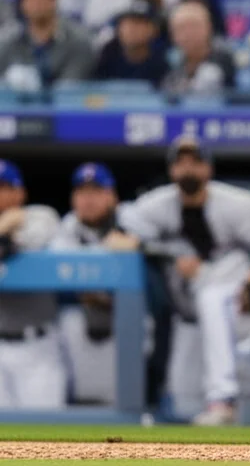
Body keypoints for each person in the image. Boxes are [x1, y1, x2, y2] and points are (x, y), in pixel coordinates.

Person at [124, 135, 250, 425]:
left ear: (208, 169)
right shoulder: (156, 205)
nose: (188, 170)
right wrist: (170, 255)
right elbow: (123, 233)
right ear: (172, 171)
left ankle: (223, 398)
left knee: (214, 296)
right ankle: (220, 407)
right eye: (181, 163)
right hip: (189, 308)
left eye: (195, 163)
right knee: (184, 401)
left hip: (234, 287)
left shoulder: (236, 203)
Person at [49, 163, 141, 405]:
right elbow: (59, 278)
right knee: (68, 320)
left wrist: (137, 244)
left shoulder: (132, 217)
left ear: (113, 196)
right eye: (82, 192)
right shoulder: (67, 228)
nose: (88, 200)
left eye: (96, 192)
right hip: (85, 317)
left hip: (128, 318)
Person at [0, 159, 63, 408]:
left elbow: (29, 241)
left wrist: (8, 238)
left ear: (20, 192)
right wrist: (5, 228)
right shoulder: (12, 222)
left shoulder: (41, 215)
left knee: (48, 431)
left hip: (38, 345)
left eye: (5, 187)